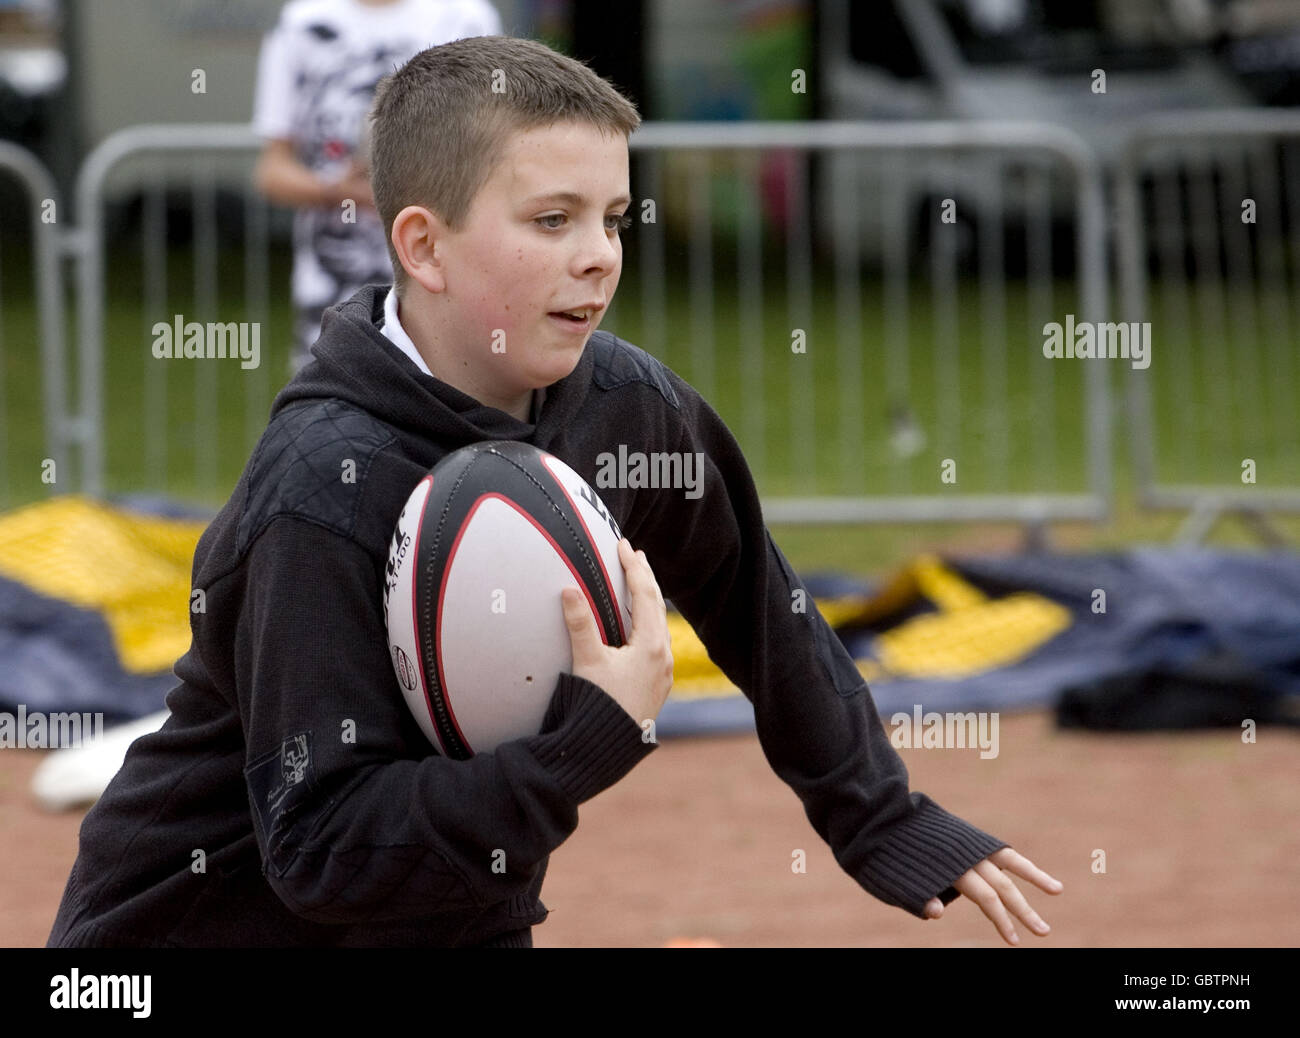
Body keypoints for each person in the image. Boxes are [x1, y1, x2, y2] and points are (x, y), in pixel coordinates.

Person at [47, 35, 1061, 948]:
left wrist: (879, 816)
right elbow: (322, 853)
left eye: (613, 217)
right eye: (552, 218)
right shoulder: (322, 486)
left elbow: (761, 604)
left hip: (453, 912)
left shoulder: (624, 408)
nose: (599, 256)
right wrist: (584, 744)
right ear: (422, 246)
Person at [252, 0, 501, 372]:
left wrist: (416, 187)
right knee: (330, 420)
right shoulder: (302, 22)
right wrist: (338, 190)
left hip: (444, 285)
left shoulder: (465, 16)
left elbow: (495, 151)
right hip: (331, 295)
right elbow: (271, 171)